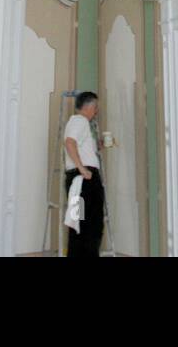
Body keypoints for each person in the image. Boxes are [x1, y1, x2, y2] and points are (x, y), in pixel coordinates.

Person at [63, 90, 104, 257]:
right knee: (91, 225)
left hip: (78, 182)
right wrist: (82, 169)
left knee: (78, 225)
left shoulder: (77, 123)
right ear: (90, 107)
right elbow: (69, 142)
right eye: (96, 108)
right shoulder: (80, 121)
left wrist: (96, 146)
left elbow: (77, 145)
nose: (97, 111)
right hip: (84, 183)